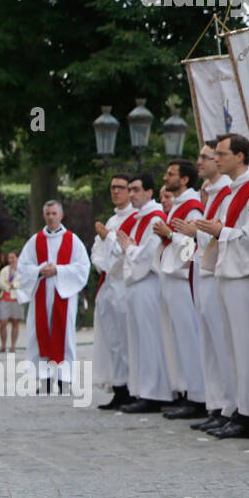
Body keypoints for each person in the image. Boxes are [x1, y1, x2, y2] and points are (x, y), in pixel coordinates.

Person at [197, 133, 249, 439]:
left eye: (222, 153)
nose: (216, 159)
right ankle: (238, 409)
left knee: (245, 347)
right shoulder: (236, 189)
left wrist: (221, 231)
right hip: (229, 274)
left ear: (240, 156)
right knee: (232, 348)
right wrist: (221, 232)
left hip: (244, 277)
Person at [167, 144, 234, 432]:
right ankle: (216, 404)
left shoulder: (217, 195)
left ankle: (225, 405)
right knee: (208, 344)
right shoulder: (210, 197)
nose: (201, 162)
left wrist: (179, 236)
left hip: (206, 273)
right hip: (197, 272)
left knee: (219, 343)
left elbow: (214, 236)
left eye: (206, 157)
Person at [15, 201, 91, 391]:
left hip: (63, 294)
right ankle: (42, 378)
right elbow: (23, 267)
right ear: (43, 216)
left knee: (64, 335)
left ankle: (64, 378)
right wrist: (40, 271)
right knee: (37, 335)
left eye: (54, 213)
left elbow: (82, 267)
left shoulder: (73, 240)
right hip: (40, 292)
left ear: (61, 215)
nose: (51, 217)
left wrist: (58, 269)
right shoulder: (35, 241)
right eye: (47, 213)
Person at [154, 160, 208, 419]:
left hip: (183, 279)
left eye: (171, 174)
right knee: (178, 340)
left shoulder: (193, 207)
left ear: (185, 180)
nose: (165, 177)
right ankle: (187, 391)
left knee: (190, 339)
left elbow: (192, 246)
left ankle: (198, 396)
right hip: (171, 279)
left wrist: (168, 234)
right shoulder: (178, 206)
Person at [118, 175, 172, 412]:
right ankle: (140, 390)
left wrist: (129, 250)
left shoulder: (155, 218)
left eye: (136, 189)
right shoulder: (140, 218)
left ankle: (155, 393)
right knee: (138, 339)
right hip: (135, 284)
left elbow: (150, 254)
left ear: (150, 192)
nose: (131, 194)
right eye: (130, 189)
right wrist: (131, 252)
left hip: (148, 283)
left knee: (150, 339)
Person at [91, 174, 137, 408]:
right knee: (113, 340)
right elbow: (97, 253)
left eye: (121, 187)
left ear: (130, 191)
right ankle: (118, 386)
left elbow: (125, 250)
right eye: (113, 187)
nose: (116, 191)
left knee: (126, 338)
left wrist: (107, 237)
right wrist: (105, 241)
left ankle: (131, 387)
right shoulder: (111, 219)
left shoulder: (135, 217)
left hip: (125, 284)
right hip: (108, 283)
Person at [0, 251, 24, 354]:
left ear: (17, 258)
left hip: (16, 299)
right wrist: (10, 286)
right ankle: (3, 345)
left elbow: (22, 283)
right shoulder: (4, 270)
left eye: (13, 257)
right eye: (9, 258)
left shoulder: (21, 271)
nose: (10, 260)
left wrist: (13, 285)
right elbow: (0, 283)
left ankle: (13, 346)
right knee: (3, 322)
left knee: (15, 322)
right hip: (4, 298)